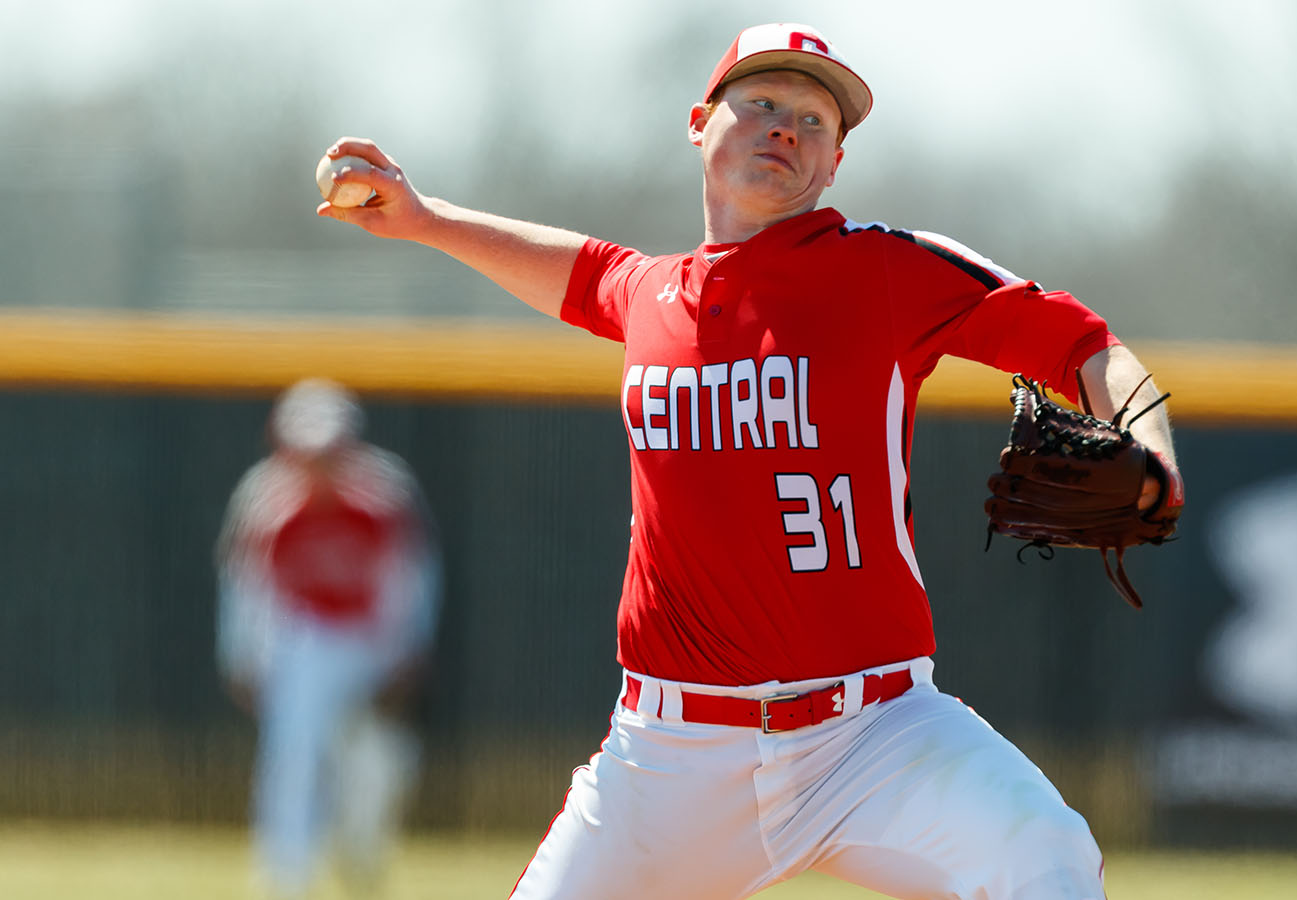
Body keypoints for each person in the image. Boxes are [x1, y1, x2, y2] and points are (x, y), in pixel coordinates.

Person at [318, 22, 1181, 899]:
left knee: (1044, 850)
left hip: (873, 735)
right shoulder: (650, 293)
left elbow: (1086, 345)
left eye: (814, 120)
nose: (785, 128)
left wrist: (1153, 457)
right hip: (669, 759)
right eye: (761, 102)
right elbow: (577, 272)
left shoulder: (883, 271)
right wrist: (426, 220)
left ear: (835, 164)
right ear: (700, 122)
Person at [216, 377, 441, 900]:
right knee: (293, 755)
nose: (317, 463)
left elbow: (411, 579)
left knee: (379, 762)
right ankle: (286, 875)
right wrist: (242, 656)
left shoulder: (385, 494)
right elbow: (245, 586)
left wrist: (407, 651)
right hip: (303, 640)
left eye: (328, 449)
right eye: (306, 451)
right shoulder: (265, 497)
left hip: (367, 639)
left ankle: (361, 854)